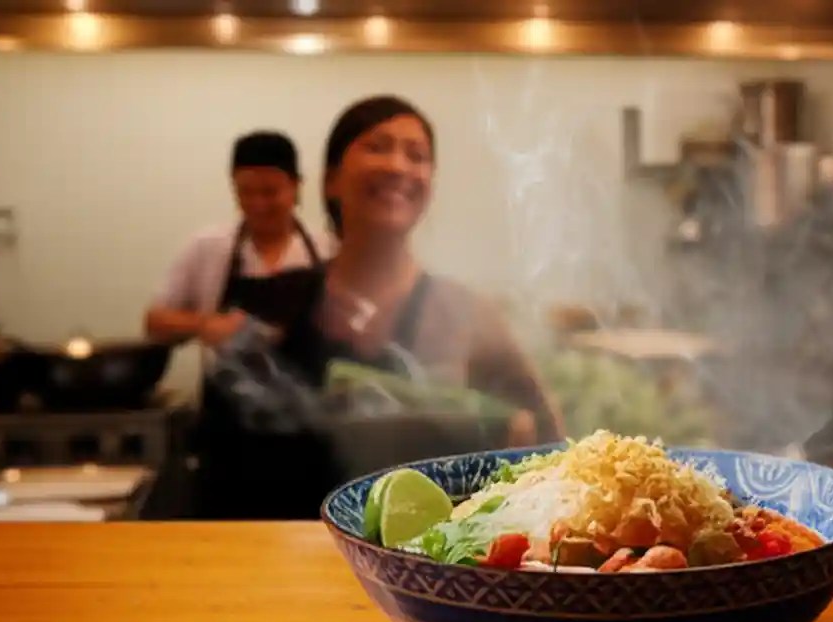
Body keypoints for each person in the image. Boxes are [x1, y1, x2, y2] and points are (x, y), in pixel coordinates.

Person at [277, 94, 563, 444]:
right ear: (331, 180)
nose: (398, 166)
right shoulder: (280, 301)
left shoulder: (467, 316)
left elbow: (548, 435)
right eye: (377, 147)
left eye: (417, 156)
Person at [144, 130, 334, 519]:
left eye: (271, 191)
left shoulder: (330, 250)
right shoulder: (208, 248)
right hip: (230, 439)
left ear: (297, 187)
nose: (258, 204)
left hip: (311, 440)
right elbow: (155, 322)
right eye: (246, 192)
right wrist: (204, 323)